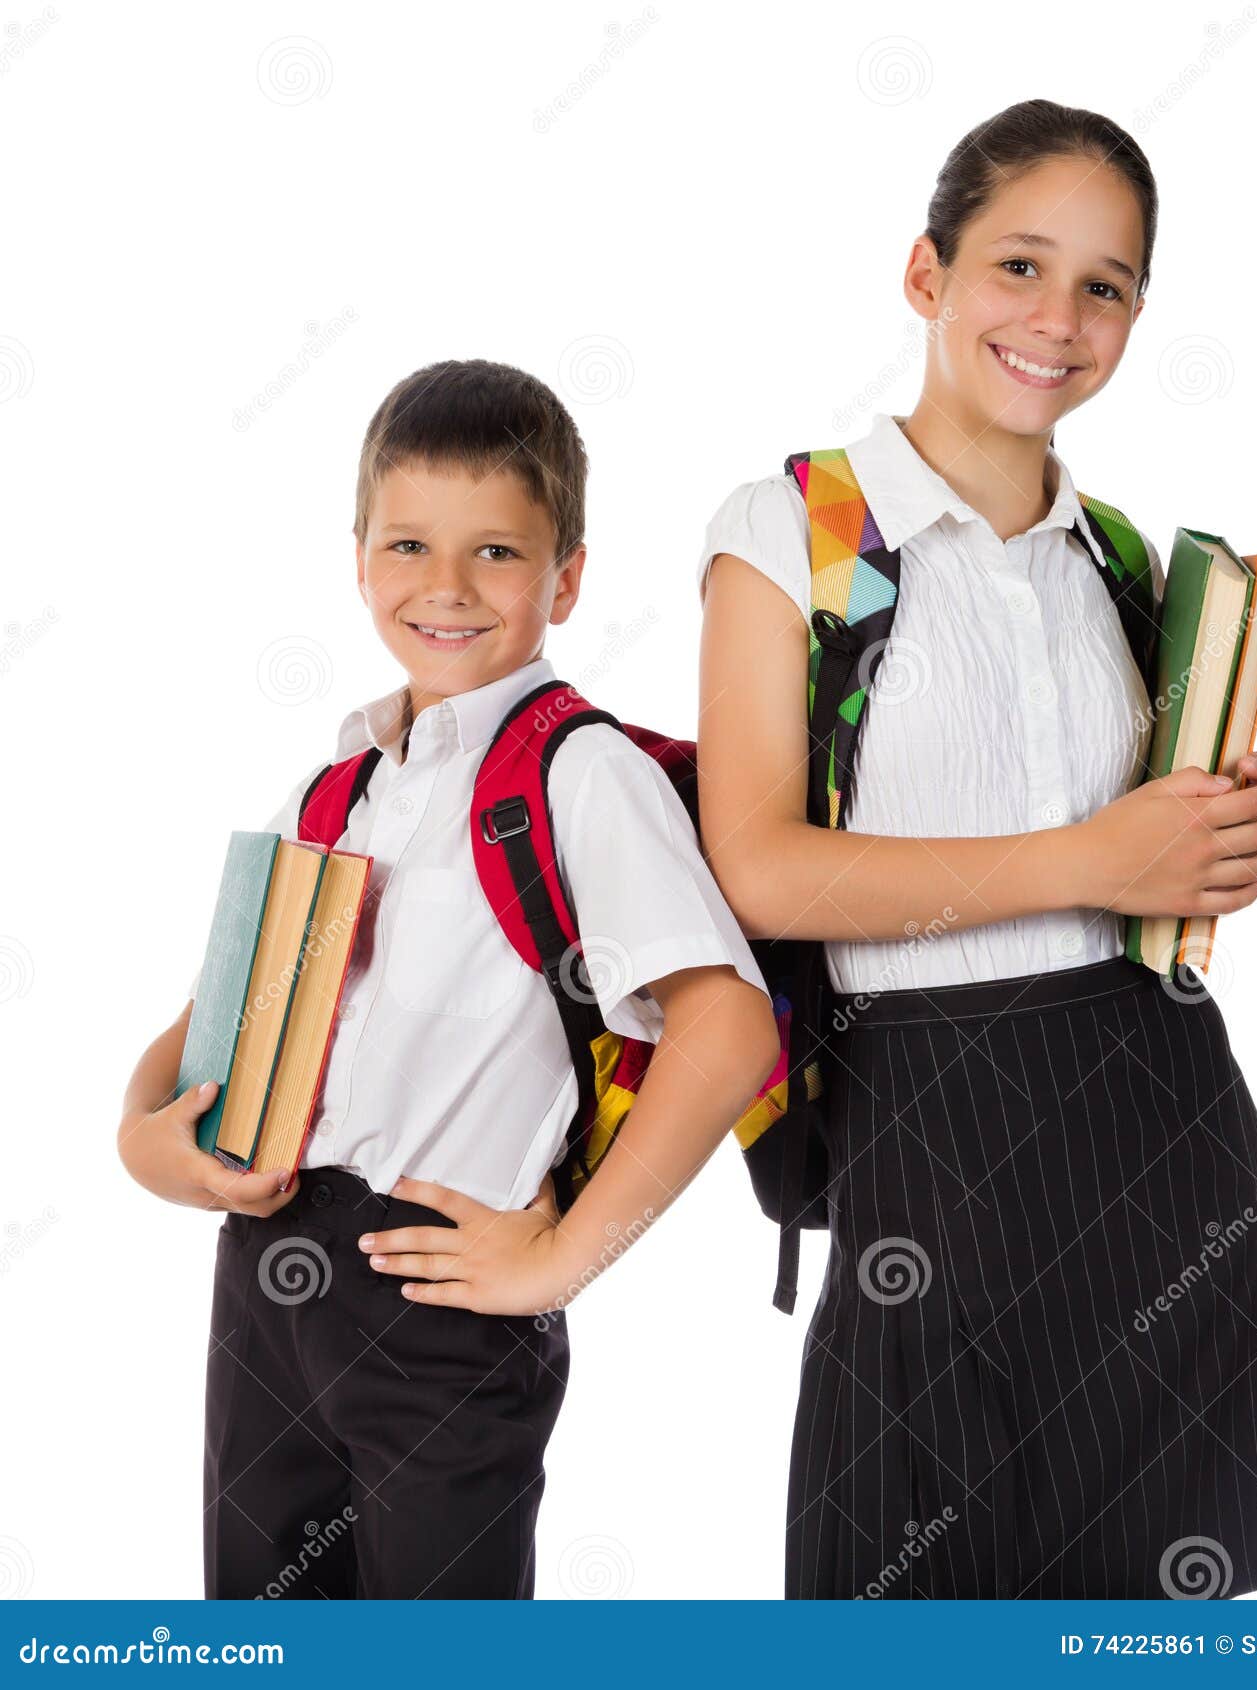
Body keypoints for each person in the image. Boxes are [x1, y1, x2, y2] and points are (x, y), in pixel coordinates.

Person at [695, 100, 1257, 1600]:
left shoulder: (1120, 561)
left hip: (1159, 1124)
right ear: (924, 274)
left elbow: (1141, 862)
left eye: (1103, 286)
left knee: (1177, 1614)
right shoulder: (796, 528)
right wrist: (1094, 856)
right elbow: (761, 872)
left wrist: (1226, 839)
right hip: (928, 1146)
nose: (1056, 319)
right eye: (1015, 266)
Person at [117, 358, 780, 1599]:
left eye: (498, 553)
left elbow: (729, 1027)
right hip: (265, 1280)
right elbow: (208, 1027)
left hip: (444, 1299)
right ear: (359, 559)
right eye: (412, 544)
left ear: (567, 578)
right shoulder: (336, 789)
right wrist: (145, 1143)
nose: (446, 588)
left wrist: (563, 1259)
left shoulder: (579, 774)